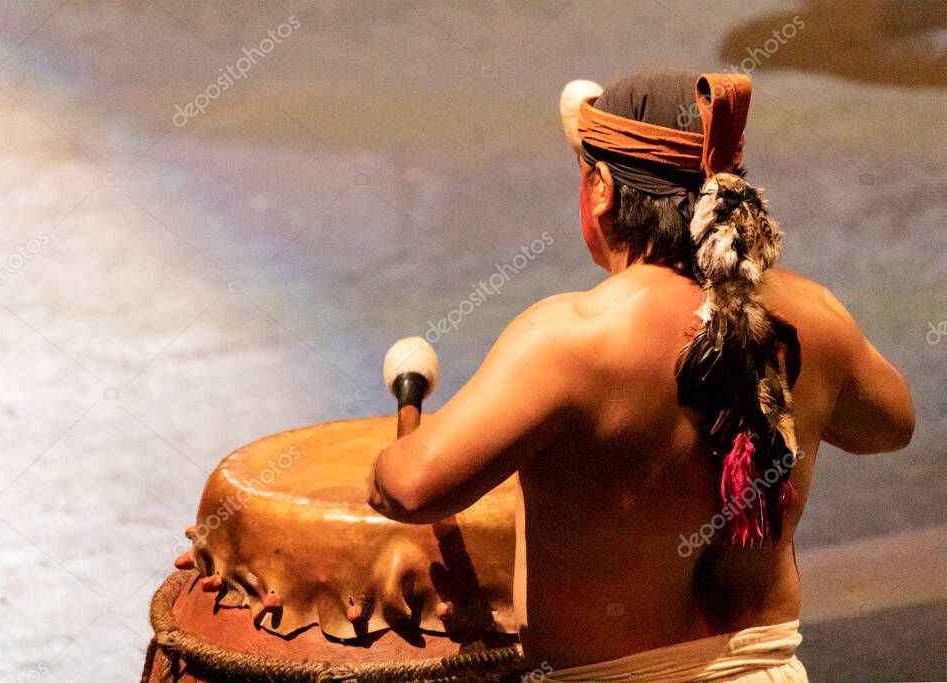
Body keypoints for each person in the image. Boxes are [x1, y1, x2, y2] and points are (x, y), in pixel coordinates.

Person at [367, 68, 914, 681]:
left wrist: (390, 460)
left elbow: (410, 490)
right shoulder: (814, 315)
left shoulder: (570, 341)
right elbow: (891, 426)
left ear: (600, 189)